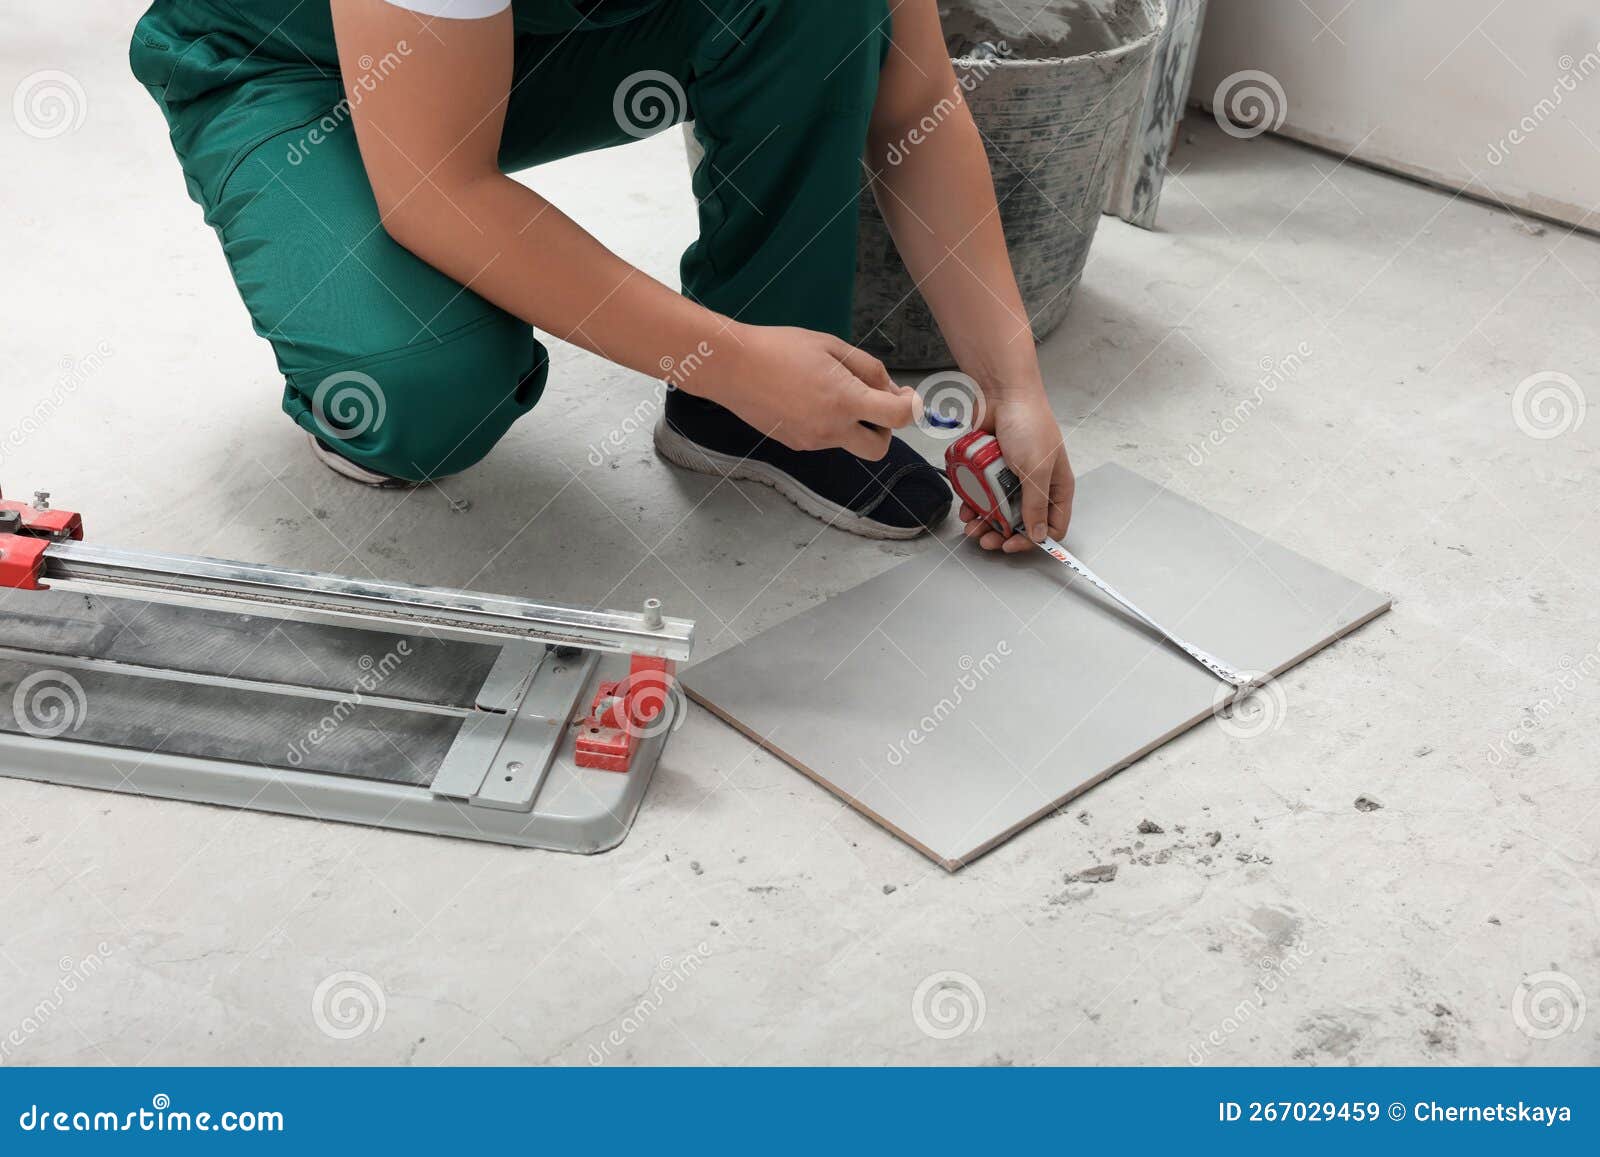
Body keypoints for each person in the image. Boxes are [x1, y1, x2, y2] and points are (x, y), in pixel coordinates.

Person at [130, 0, 1073, 550]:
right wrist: (732, 360)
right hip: (293, 63)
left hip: (516, 46)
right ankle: (374, 340)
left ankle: (751, 416)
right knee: (420, 390)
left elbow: (915, 94)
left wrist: (1012, 382)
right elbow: (436, 187)